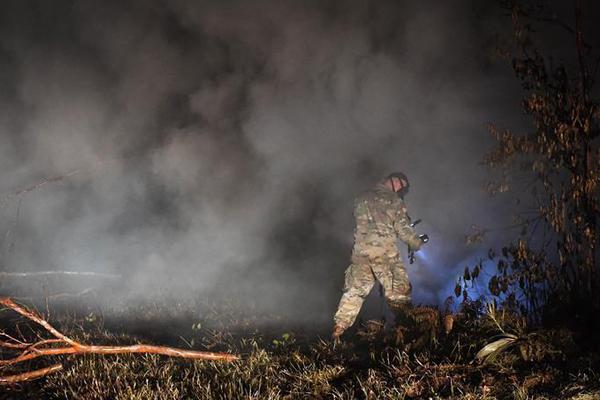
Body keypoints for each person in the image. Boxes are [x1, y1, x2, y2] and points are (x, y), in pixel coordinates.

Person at [332, 172, 427, 339]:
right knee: (399, 296)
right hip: (385, 256)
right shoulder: (394, 200)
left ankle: (337, 332)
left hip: (361, 255)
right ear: (394, 181)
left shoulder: (361, 197)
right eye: (402, 186)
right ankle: (407, 336)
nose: (401, 190)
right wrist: (417, 243)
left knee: (353, 294)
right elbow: (404, 231)